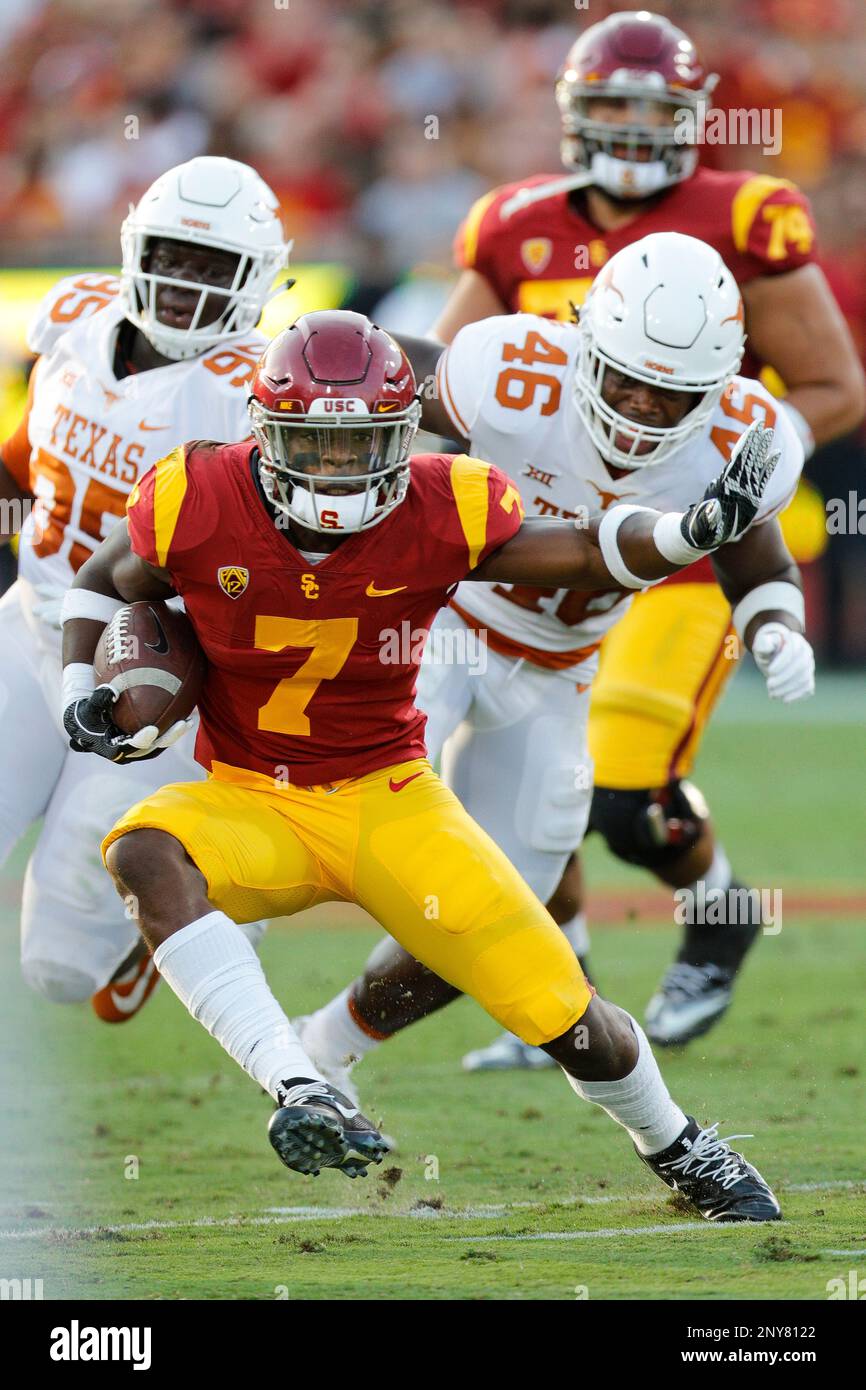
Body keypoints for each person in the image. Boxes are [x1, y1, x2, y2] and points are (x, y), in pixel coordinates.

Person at [60, 308, 782, 1217]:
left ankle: (681, 1146)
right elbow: (103, 580)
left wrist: (688, 533)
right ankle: (302, 1083)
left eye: (360, 444)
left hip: (389, 802)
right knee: (143, 850)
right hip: (249, 800)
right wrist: (81, 690)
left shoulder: (445, 504)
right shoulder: (198, 496)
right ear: (264, 433)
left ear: (404, 435)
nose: (337, 469)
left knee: (565, 1015)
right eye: (314, 445)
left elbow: (579, 553)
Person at [426, 8, 865, 1056]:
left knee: (624, 795)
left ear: (691, 117)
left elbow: (831, 385)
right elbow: (442, 391)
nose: (628, 128)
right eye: (609, 106)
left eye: (649, 108)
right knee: (509, 782)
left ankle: (720, 915)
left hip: (680, 557)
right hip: (543, 547)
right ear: (572, 113)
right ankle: (558, 986)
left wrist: (731, 471)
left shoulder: (743, 216)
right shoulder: (513, 224)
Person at [295, 233, 815, 1088]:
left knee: (502, 907)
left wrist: (777, 629)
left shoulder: (740, 437)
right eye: (625, 380)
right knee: (342, 804)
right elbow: (380, 373)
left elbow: (759, 568)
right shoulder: (512, 368)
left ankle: (324, 1051)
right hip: (438, 624)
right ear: (584, 343)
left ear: (718, 387)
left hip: (558, 671)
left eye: (670, 393)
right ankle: (223, 921)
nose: (641, 407)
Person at [0, 155, 289, 1019]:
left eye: (213, 265)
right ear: (135, 249)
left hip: (150, 669)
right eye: (172, 255)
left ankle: (194, 896)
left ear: (258, 279)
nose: (185, 282)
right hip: (34, 620)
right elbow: (22, 465)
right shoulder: (71, 317)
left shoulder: (252, 394)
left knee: (60, 968)